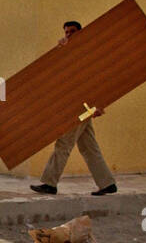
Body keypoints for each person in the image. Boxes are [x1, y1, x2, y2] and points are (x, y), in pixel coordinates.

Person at [30, 20, 119, 197]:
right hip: (74, 105)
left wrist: (99, 104)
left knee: (63, 143)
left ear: (81, 33)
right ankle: (107, 183)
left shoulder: (88, 55)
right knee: (89, 147)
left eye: (72, 32)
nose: (69, 35)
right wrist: (60, 49)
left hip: (81, 107)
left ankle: (49, 183)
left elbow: (99, 80)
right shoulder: (69, 51)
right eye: (67, 32)